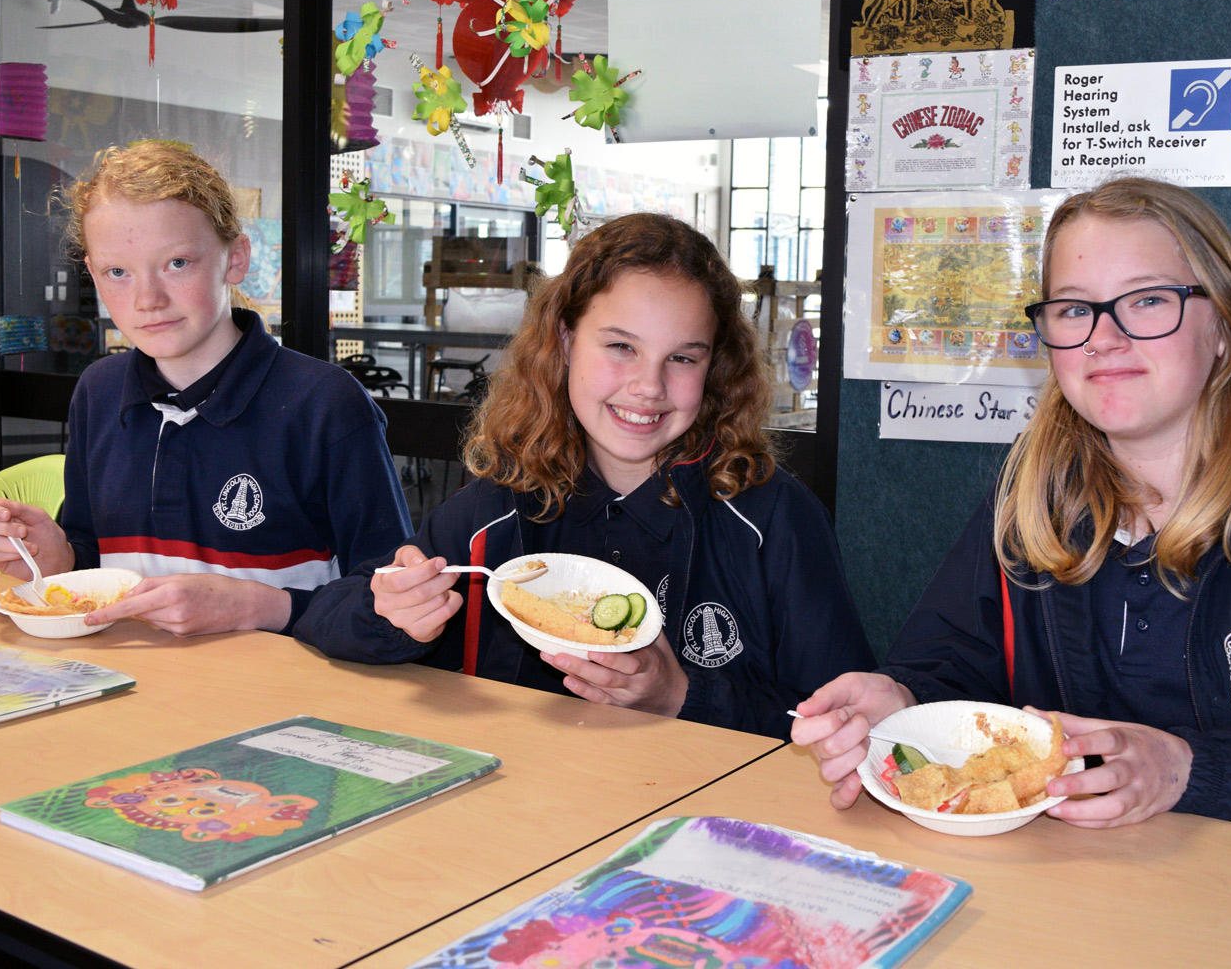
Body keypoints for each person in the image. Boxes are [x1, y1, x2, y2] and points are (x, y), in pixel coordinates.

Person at [792, 177, 1231, 857]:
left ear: (1225, 325)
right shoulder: (1029, 495)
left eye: (1148, 300)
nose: (1104, 338)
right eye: (1074, 310)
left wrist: (1189, 770)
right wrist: (901, 710)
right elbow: (950, 678)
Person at [294, 213, 874, 738]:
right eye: (621, 346)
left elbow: (851, 727)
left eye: (682, 357)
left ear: (715, 365)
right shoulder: (502, 501)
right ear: (566, 342)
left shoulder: (773, 521)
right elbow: (329, 615)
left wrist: (681, 696)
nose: (649, 387)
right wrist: (390, 614)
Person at [0, 142, 411, 637]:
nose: (147, 300)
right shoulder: (98, 391)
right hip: (135, 693)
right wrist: (61, 557)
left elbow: (398, 610)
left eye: (177, 263)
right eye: (118, 272)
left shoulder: (325, 404)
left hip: (286, 700)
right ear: (94, 275)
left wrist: (262, 607)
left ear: (235, 259)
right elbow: (94, 554)